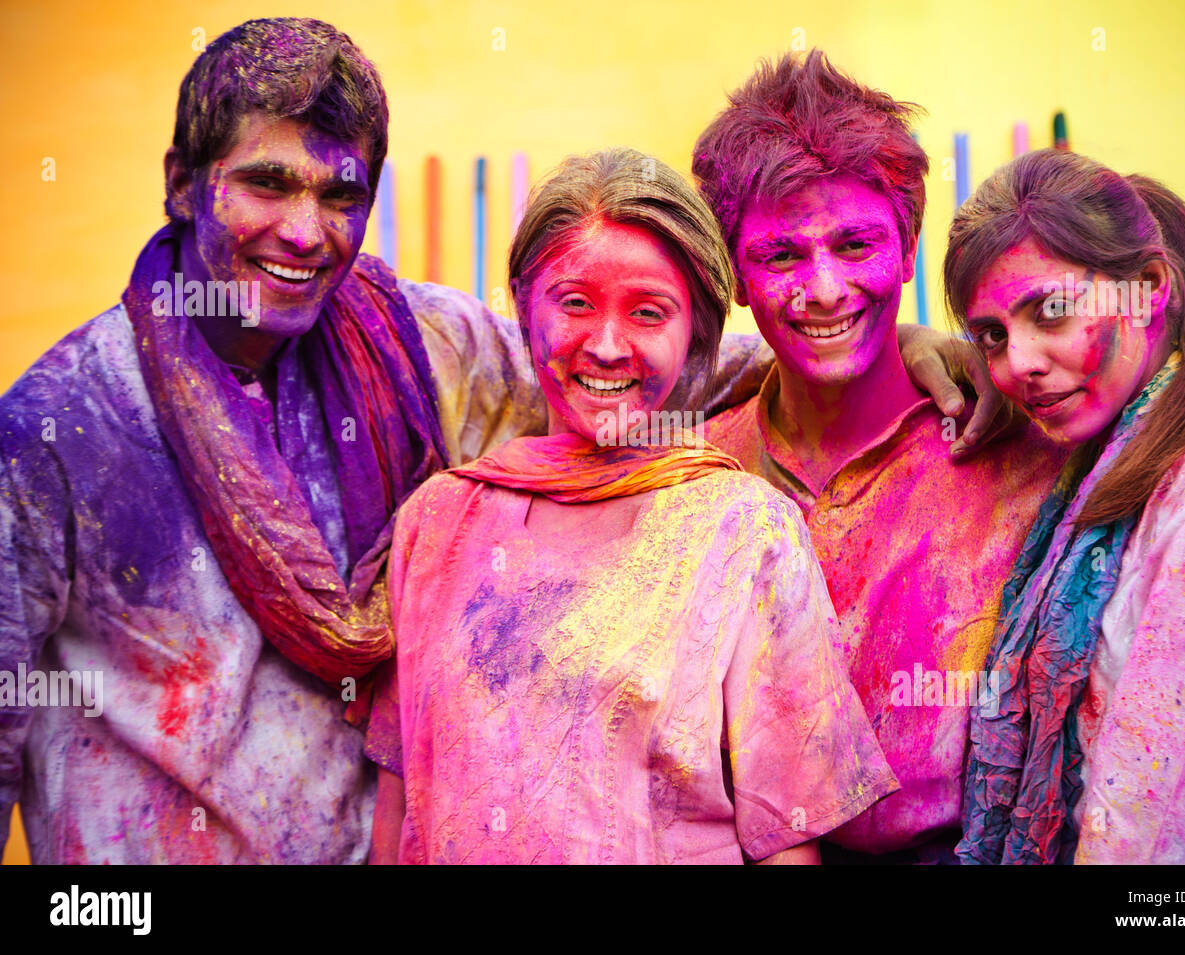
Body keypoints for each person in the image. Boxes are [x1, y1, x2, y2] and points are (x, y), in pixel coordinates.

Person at [0, 18, 976, 864]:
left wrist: (903, 341)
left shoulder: (422, 347)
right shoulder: (62, 432)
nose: (303, 230)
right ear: (180, 183)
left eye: (339, 194)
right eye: (266, 183)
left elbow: (632, 366)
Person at [366, 148, 896, 865]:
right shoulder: (438, 522)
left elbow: (787, 840)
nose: (607, 344)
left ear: (698, 336)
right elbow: (402, 809)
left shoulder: (743, 529)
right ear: (525, 311)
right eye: (575, 302)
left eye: (648, 312)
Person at [690, 50, 1068, 862]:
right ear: (735, 280)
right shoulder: (694, 479)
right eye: (782, 255)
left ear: (907, 249)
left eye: (855, 244)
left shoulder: (1023, 450)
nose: (824, 289)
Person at [947, 148, 1185, 864]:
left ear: (1147, 288)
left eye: (1051, 311)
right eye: (991, 335)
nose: (1018, 364)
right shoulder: (1091, 488)